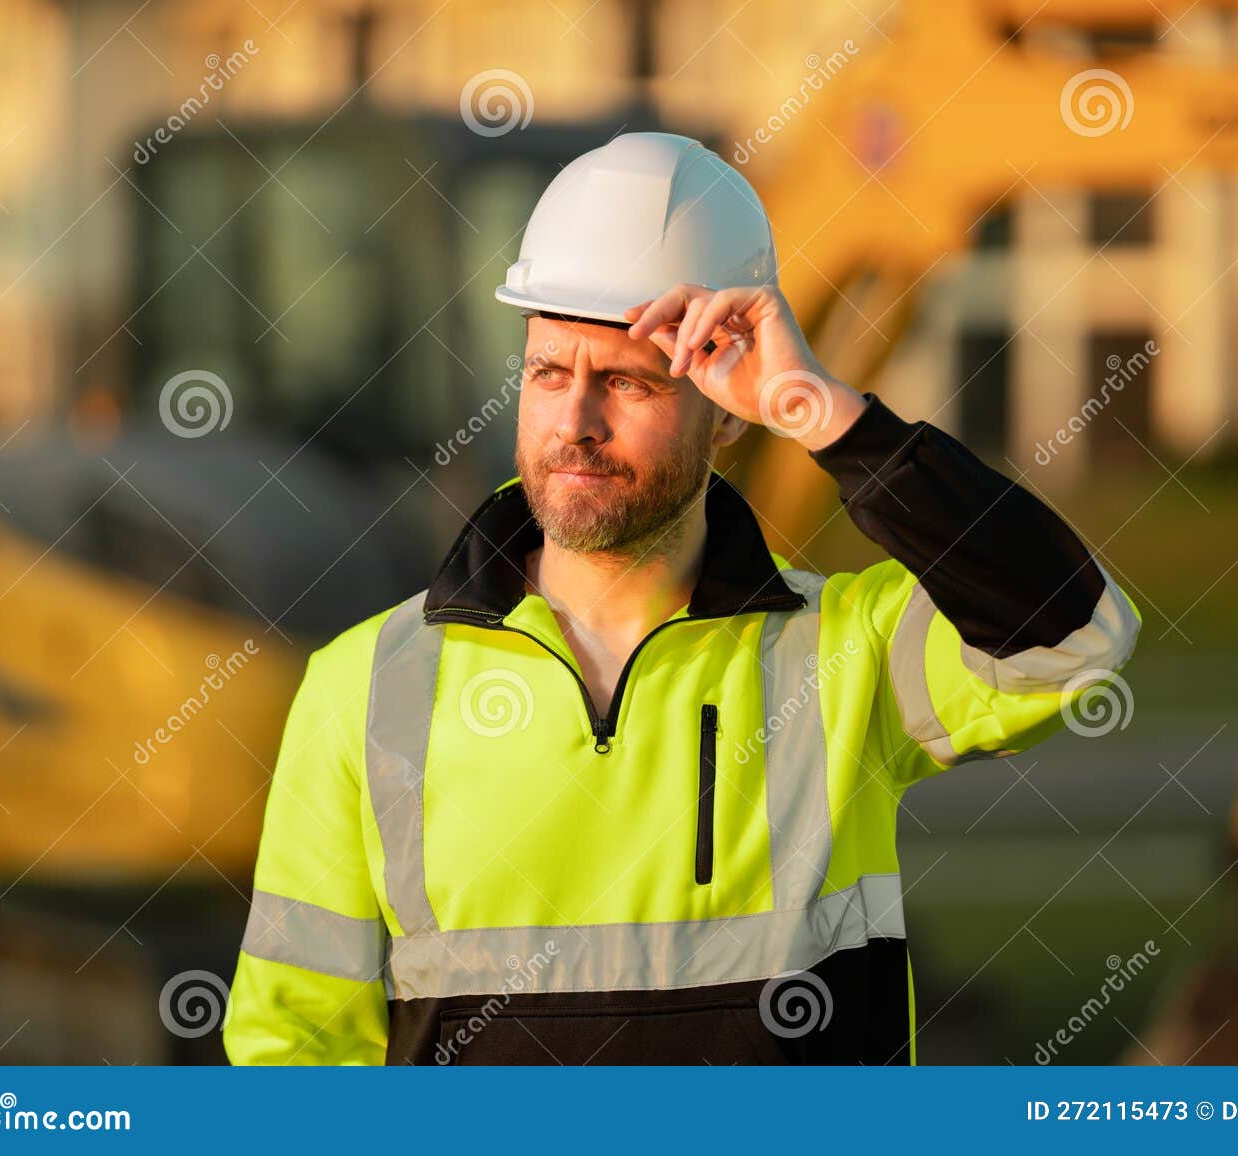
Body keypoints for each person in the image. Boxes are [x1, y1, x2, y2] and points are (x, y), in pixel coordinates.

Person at [224, 132, 1139, 1065]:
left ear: (724, 409)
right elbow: (294, 1047)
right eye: (548, 375)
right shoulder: (362, 688)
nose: (575, 423)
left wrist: (822, 411)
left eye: (626, 381)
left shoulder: (846, 654)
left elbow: (1074, 639)